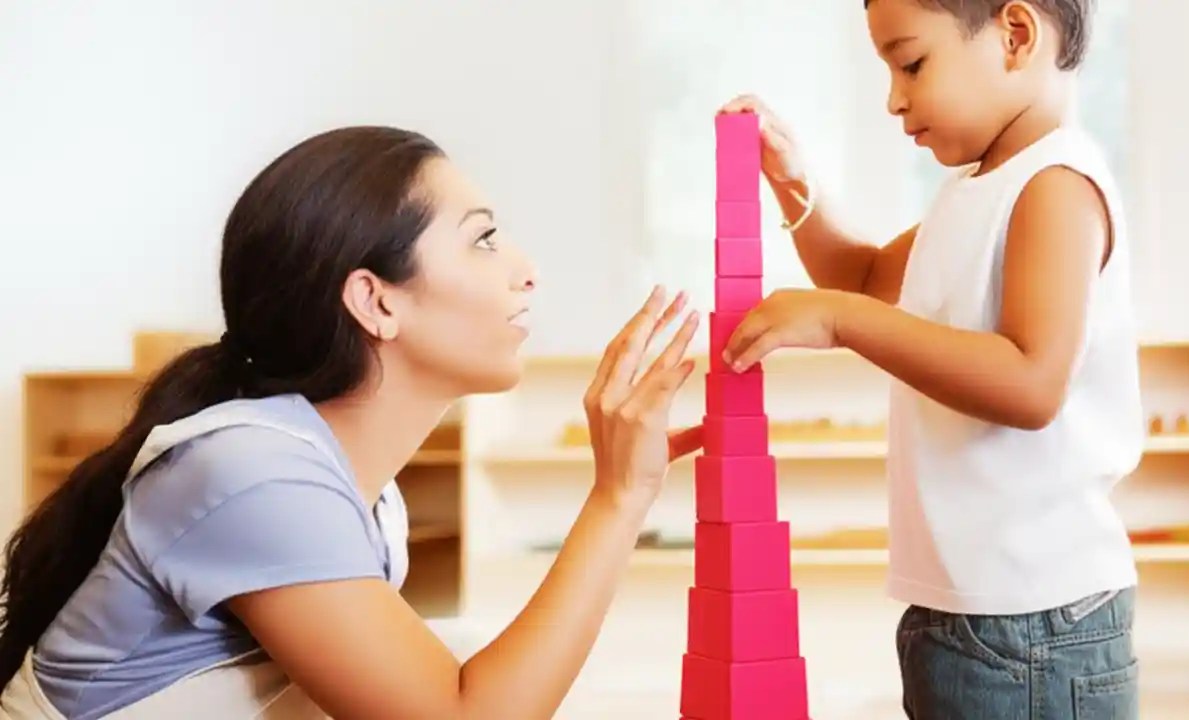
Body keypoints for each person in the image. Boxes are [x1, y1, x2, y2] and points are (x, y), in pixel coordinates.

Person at [0, 126, 704, 719]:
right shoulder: (251, 473)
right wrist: (619, 496)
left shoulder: (360, 495)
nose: (526, 272)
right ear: (375, 302)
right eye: (484, 240)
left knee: (459, 641)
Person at [718, 0, 1143, 717]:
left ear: (1014, 35)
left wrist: (841, 322)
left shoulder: (1055, 185)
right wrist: (795, 183)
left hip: (1034, 624)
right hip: (970, 614)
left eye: (911, 62)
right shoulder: (973, 190)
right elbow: (862, 279)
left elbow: (1031, 381)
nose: (894, 97)